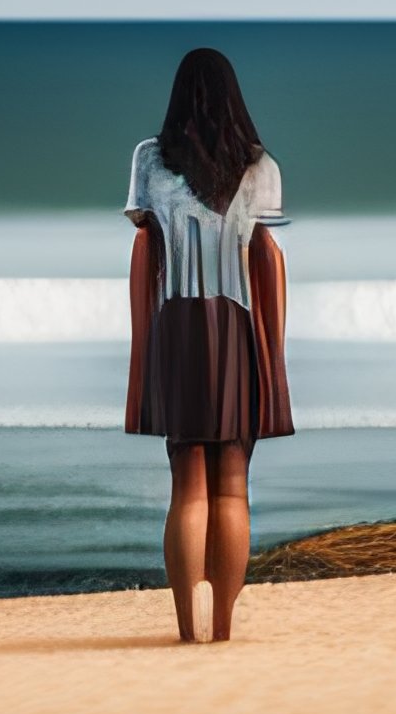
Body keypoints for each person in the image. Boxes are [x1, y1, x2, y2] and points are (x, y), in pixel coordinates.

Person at [123, 46, 296, 643]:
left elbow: (146, 256)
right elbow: (267, 260)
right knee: (232, 486)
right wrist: (273, 359)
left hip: (176, 328)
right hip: (239, 327)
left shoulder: (151, 160)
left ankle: (185, 630)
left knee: (186, 484)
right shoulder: (261, 166)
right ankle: (222, 628)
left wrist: (141, 351)